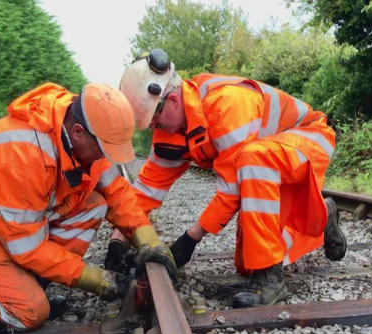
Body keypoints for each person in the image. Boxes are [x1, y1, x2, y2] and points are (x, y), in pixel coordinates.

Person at [0, 82, 176, 330]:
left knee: (93, 205)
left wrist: (147, 239)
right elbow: (27, 248)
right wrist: (93, 278)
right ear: (79, 133)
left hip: (4, 221)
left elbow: (115, 192)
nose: (105, 158)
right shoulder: (23, 156)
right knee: (29, 311)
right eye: (104, 150)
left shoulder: (78, 123)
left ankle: (27, 285)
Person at [110, 49, 347, 308]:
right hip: (270, 161)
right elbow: (145, 190)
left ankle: (271, 278)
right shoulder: (172, 132)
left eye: (154, 117)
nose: (153, 126)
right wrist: (119, 239)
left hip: (309, 138)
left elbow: (232, 188)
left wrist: (190, 238)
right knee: (248, 260)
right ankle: (322, 217)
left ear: (173, 100)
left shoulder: (227, 103)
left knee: (253, 159)